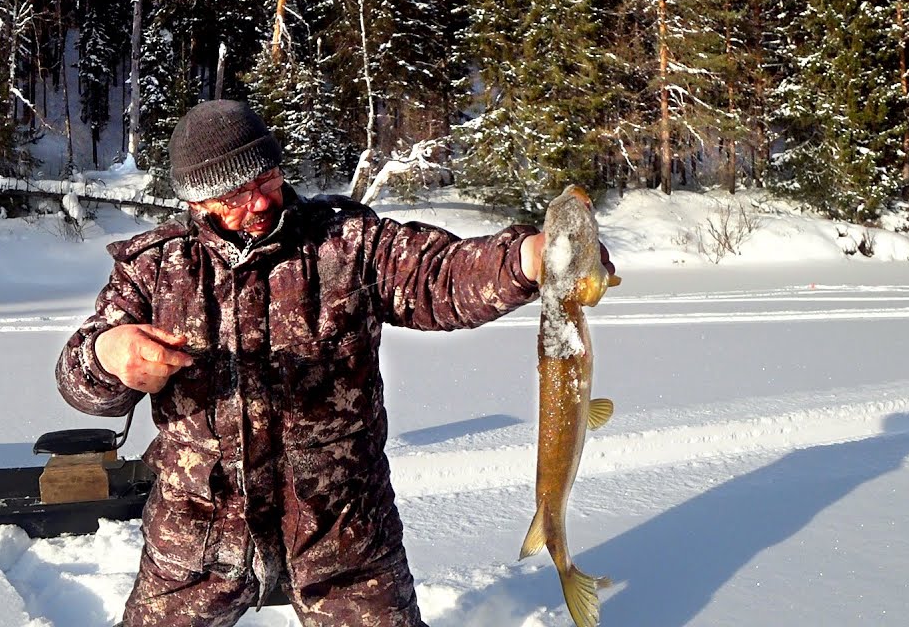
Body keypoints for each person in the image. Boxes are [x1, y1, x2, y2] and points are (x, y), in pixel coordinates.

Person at [55, 100, 613, 627]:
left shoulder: (346, 241)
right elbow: (80, 381)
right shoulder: (156, 266)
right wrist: (109, 356)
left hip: (344, 536)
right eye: (234, 194)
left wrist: (528, 258)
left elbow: (440, 277)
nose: (258, 202)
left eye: (267, 180)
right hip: (194, 540)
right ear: (197, 204)